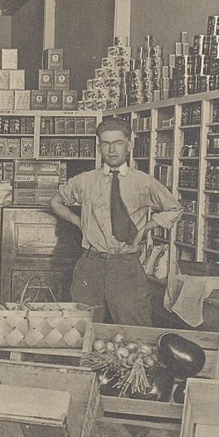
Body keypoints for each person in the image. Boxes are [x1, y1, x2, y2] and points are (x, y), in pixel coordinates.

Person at [48, 116, 181, 327]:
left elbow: (175, 208)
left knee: (134, 328)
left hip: (126, 266)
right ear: (99, 148)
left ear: (129, 146)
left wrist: (148, 226)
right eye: (106, 144)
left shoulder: (143, 182)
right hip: (91, 265)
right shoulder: (85, 180)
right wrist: (79, 221)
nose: (112, 150)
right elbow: (55, 202)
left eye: (118, 143)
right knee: (83, 328)